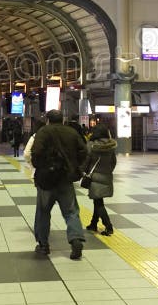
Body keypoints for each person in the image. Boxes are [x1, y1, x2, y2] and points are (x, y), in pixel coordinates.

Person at [31, 110, 88, 260]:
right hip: (65, 179)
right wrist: (76, 167)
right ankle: (76, 240)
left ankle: (43, 245)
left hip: (46, 181)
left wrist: (41, 167)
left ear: (48, 120)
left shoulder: (43, 132)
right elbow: (84, 151)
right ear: (62, 119)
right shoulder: (71, 132)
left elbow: (35, 153)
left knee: (43, 212)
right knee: (71, 212)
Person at [83, 124, 117, 236]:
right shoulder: (111, 146)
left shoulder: (91, 145)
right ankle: (93, 224)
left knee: (98, 203)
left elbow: (86, 162)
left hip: (94, 177)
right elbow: (113, 162)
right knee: (98, 201)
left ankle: (109, 226)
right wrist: (107, 171)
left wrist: (83, 171)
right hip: (106, 175)